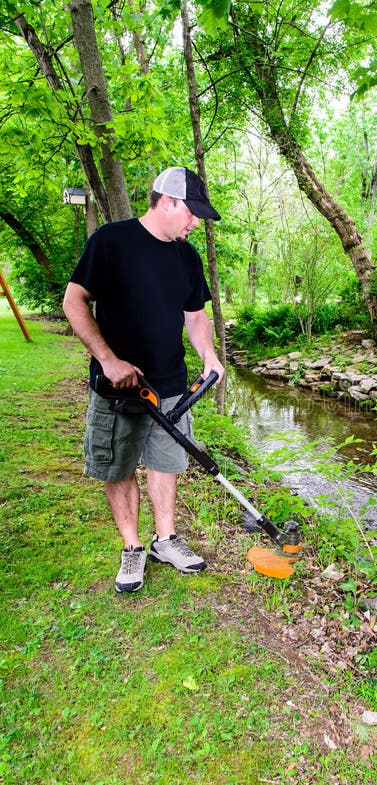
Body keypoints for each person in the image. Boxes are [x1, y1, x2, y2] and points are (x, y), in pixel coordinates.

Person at [63, 166, 225, 594]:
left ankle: (165, 540)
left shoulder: (186, 257)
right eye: (193, 214)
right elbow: (73, 300)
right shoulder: (111, 242)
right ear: (169, 202)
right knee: (117, 467)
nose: (196, 222)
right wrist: (109, 360)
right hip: (117, 388)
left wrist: (208, 354)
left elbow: (195, 316)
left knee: (165, 463)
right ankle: (132, 547)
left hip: (171, 386)